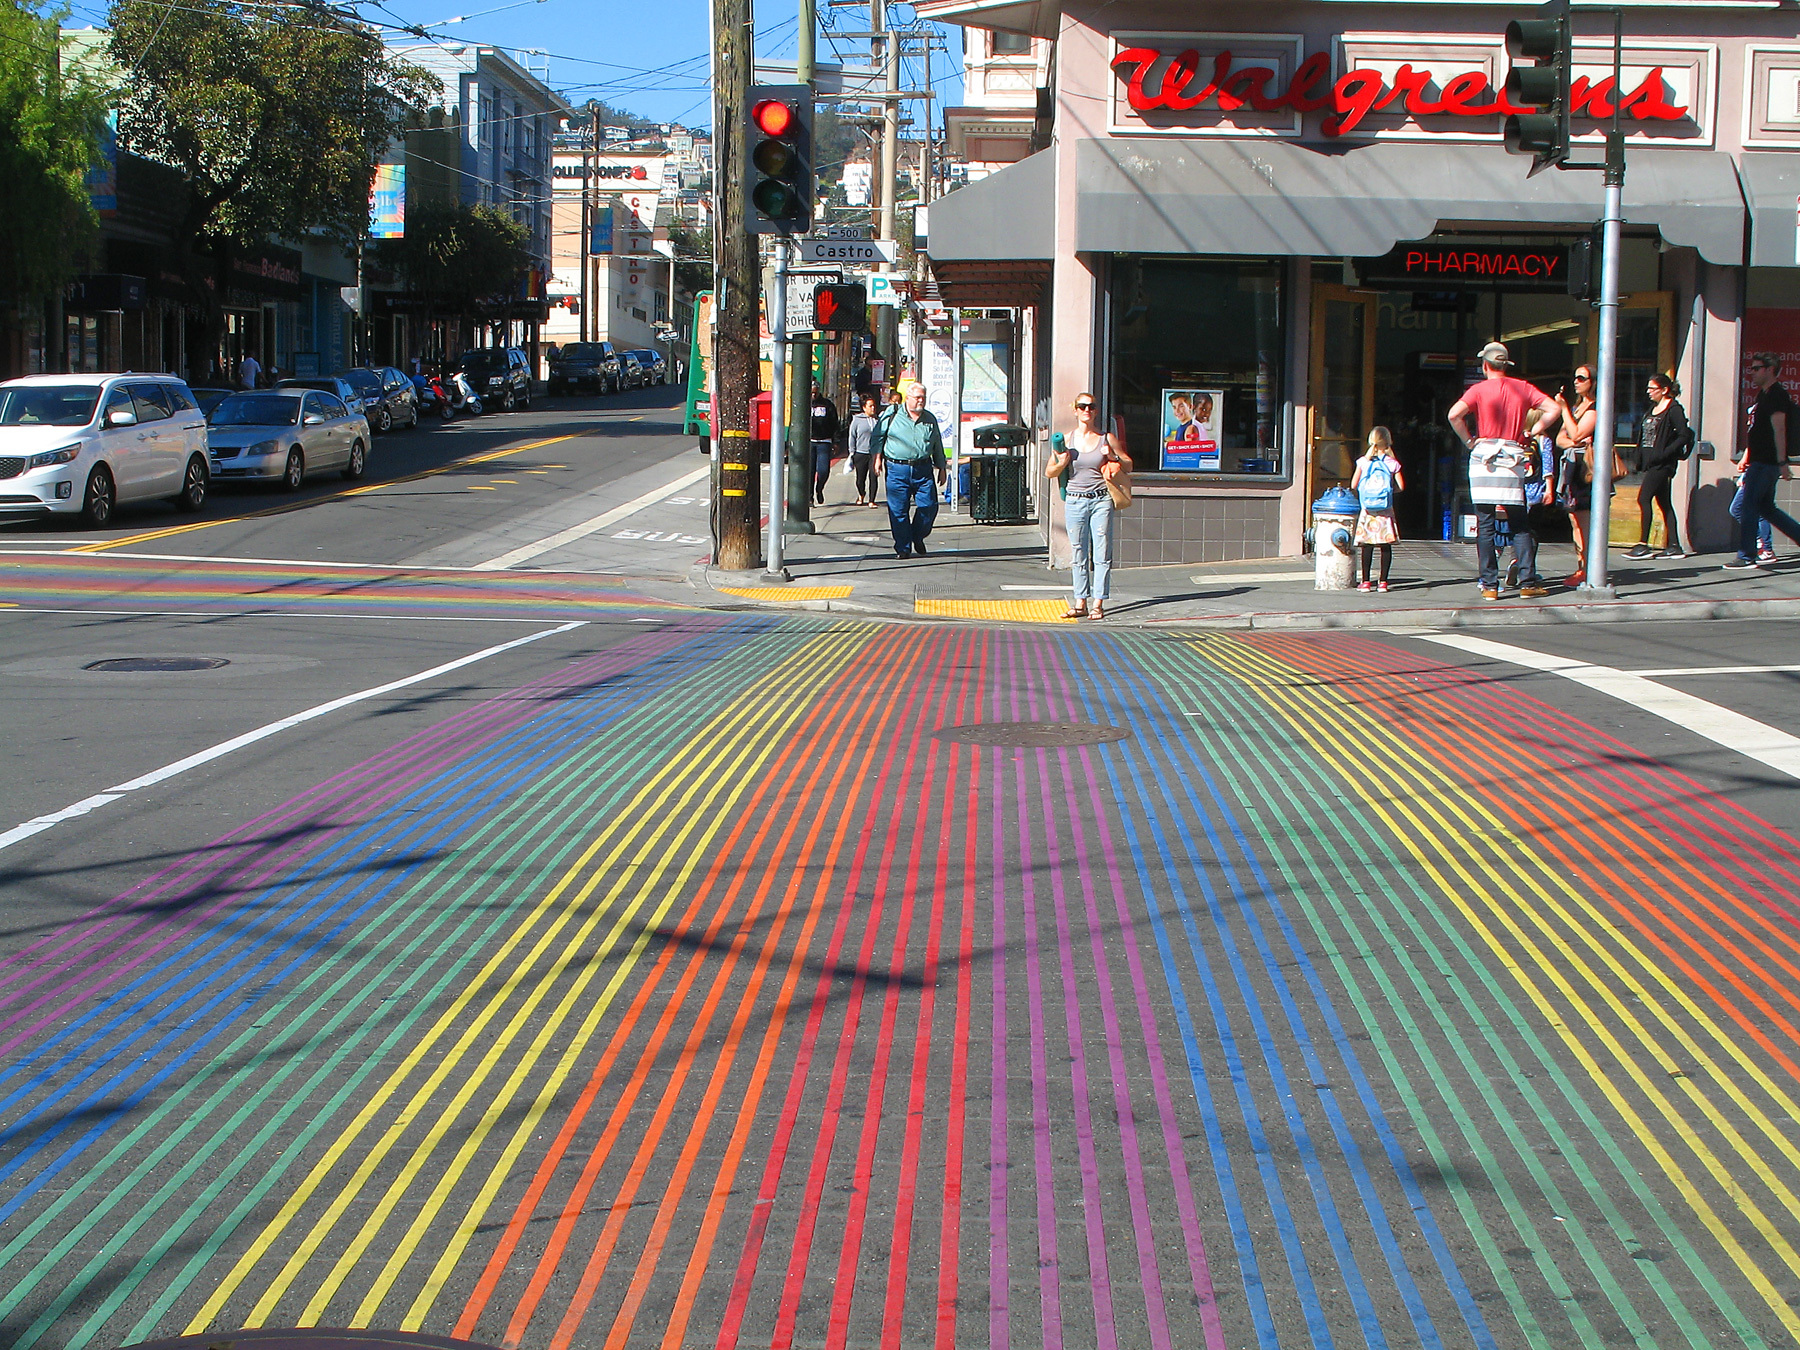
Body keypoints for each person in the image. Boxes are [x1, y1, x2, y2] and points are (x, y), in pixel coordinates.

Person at [1448, 341, 1561, 599]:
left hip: (1484, 457)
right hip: (1512, 456)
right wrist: (1531, 431)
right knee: (1519, 523)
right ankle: (1527, 581)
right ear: (1505, 365)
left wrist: (1468, 440)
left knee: (1485, 523)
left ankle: (1489, 585)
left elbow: (1454, 415)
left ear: (1486, 365)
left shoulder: (1478, 390)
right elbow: (1553, 409)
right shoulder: (1522, 388)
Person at [1046, 393, 1129, 619]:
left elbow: (1128, 464)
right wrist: (1061, 463)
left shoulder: (1106, 438)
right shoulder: (1066, 440)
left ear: (1095, 411)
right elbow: (1049, 472)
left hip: (1101, 499)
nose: (1086, 410)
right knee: (1079, 552)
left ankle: (1098, 603)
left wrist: (1113, 456)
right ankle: (1080, 601)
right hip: (1074, 500)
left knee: (1101, 552)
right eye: (1082, 406)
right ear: (1075, 410)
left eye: (1091, 407)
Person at [1727, 352, 1800, 570]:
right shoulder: (1763, 395)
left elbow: (1779, 429)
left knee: (1749, 506)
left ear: (1769, 369)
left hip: (1767, 463)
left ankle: (1747, 555)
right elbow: (1757, 431)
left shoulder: (1777, 395)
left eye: (1756, 368)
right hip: (1760, 461)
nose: (1752, 372)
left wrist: (1782, 462)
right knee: (1767, 508)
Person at [872, 381, 947, 557]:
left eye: (923, 398)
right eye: (918, 397)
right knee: (898, 510)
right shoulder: (891, 414)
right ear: (908, 398)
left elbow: (936, 444)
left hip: (923, 469)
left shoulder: (929, 419)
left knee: (929, 506)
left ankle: (917, 535)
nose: (921, 401)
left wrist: (942, 467)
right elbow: (878, 436)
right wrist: (876, 459)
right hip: (897, 469)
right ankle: (903, 548)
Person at [1626, 372, 1692, 559]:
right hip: (1650, 463)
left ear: (1664, 390)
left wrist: (1665, 453)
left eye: (1652, 388)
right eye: (1648, 388)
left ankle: (1643, 544)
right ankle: (1674, 545)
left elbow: (1684, 435)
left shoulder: (1674, 410)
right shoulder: (1652, 409)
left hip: (1663, 464)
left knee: (1643, 498)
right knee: (1664, 503)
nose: (1649, 392)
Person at [1554, 366, 1599, 586]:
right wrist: (1576, 440)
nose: (1576, 382)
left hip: (1587, 470)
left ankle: (1588, 568)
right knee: (1575, 520)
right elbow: (1561, 438)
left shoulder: (1594, 408)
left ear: (1593, 382)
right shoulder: (1577, 408)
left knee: (1585, 520)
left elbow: (1577, 432)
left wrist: (1563, 409)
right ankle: (1581, 566)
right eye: (1575, 378)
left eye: (1582, 378)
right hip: (1572, 467)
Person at [1350, 426, 1404, 592]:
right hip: (1385, 511)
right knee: (1385, 545)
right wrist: (1388, 492)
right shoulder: (1392, 463)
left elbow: (1353, 484)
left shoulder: (1363, 462)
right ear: (1387, 442)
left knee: (1367, 545)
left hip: (1368, 510)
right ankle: (1383, 582)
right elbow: (1401, 486)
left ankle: (1365, 582)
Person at [809, 384, 840, 506]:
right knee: (809, 472)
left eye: (815, 393)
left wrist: (836, 441)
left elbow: (834, 424)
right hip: (810, 442)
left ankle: (819, 488)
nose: (813, 395)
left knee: (823, 471)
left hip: (824, 442)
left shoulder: (827, 405)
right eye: (811, 393)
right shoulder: (805, 405)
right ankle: (809, 497)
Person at [847, 395, 880, 506]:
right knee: (860, 479)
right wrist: (852, 452)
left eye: (874, 406)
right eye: (870, 406)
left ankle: (871, 500)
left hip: (874, 453)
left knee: (873, 476)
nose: (873, 408)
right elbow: (852, 436)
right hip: (860, 453)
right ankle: (861, 494)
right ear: (864, 407)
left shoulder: (877, 420)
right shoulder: (857, 420)